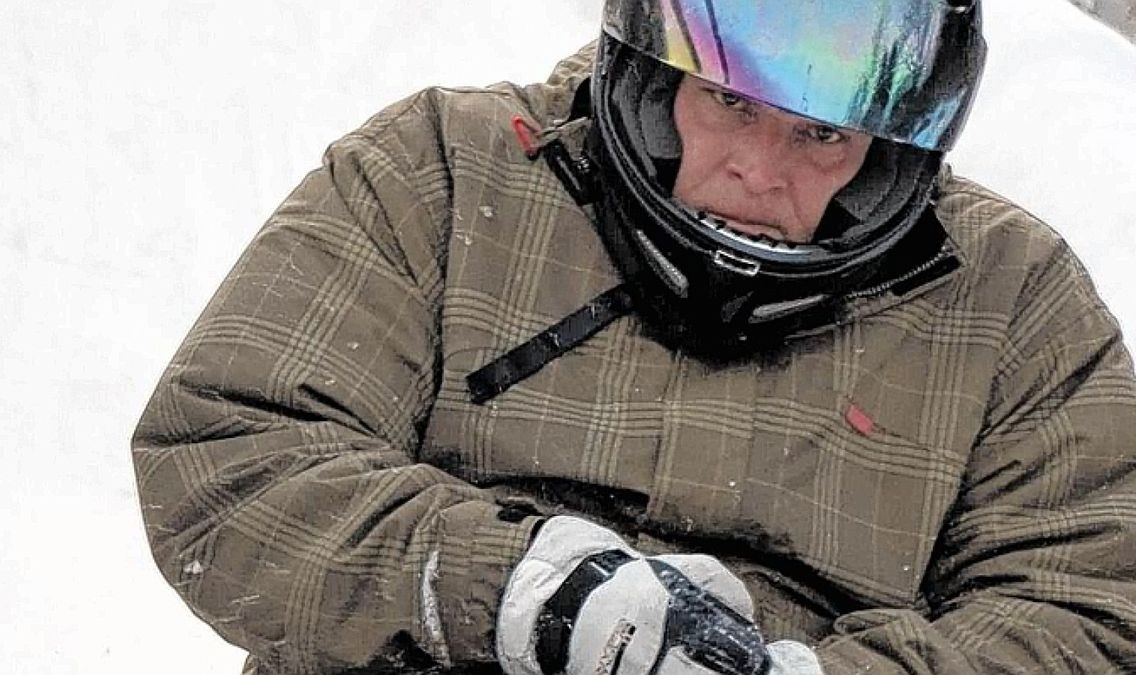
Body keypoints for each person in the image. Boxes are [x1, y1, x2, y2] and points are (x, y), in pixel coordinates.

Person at [132, 0, 1136, 672]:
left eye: (822, 135)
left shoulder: (1013, 300)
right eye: (732, 104)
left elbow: (1090, 607)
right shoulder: (441, 168)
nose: (758, 169)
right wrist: (514, 587)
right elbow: (231, 452)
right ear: (657, 83)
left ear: (889, 155)